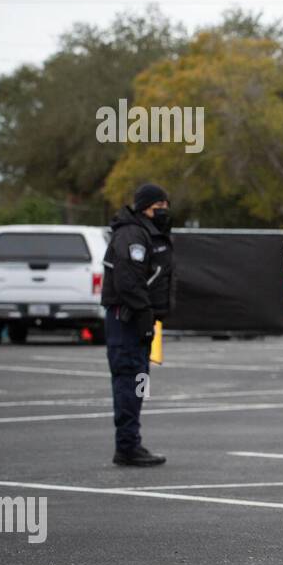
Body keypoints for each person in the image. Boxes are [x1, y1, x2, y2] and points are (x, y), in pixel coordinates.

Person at [100, 183, 175, 467]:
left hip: (140, 318)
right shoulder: (131, 234)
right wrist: (144, 313)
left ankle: (131, 443)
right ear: (146, 207)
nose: (165, 212)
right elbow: (128, 280)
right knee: (129, 380)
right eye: (160, 207)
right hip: (127, 319)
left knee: (138, 381)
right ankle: (127, 446)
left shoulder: (147, 231)